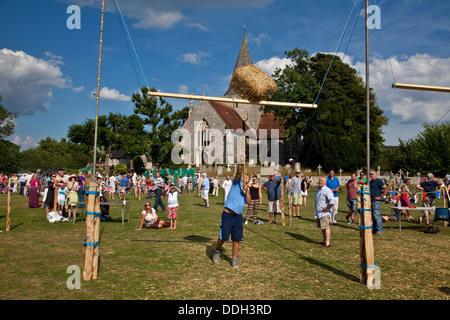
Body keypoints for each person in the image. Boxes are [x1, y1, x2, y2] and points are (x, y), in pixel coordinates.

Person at [212, 164, 251, 268]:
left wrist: (247, 190)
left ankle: (234, 258)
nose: (246, 177)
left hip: (238, 217)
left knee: (236, 239)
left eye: (247, 176)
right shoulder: (236, 182)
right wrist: (241, 162)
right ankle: (217, 250)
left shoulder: (247, 189)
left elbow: (248, 201)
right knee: (223, 236)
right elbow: (238, 172)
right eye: (245, 175)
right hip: (228, 215)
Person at [315, 176, 335, 248]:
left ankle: (328, 243)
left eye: (322, 181)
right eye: (320, 181)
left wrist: (327, 208)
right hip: (319, 213)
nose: (320, 182)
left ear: (325, 182)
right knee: (322, 227)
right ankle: (324, 240)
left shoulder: (327, 190)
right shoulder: (318, 189)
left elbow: (332, 201)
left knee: (326, 227)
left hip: (324, 213)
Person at [369, 170, 388, 235]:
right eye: (370, 174)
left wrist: (382, 197)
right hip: (371, 200)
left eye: (372, 174)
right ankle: (375, 229)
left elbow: (385, 188)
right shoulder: (370, 182)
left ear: (375, 174)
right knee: (373, 216)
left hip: (376, 201)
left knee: (377, 216)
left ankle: (379, 230)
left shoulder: (378, 181)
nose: (371, 175)